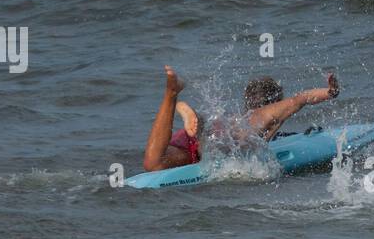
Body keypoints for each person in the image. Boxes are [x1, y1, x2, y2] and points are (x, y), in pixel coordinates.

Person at [142, 67, 340, 172]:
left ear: (247, 100)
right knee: (225, 142)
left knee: (153, 161)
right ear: (275, 101)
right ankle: (185, 108)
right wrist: (330, 92)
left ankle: (172, 96)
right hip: (214, 145)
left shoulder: (236, 117)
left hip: (190, 138)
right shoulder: (263, 117)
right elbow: (300, 99)